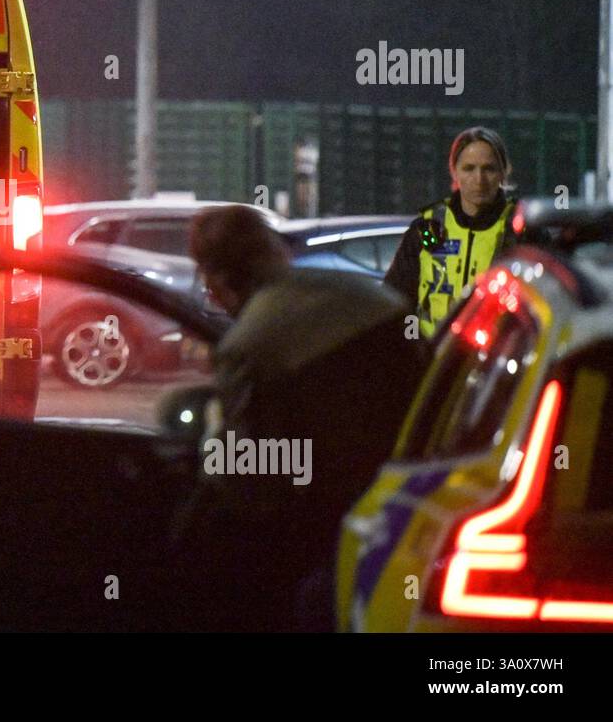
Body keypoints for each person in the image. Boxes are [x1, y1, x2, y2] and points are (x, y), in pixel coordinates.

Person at [174, 205, 427, 631]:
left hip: (325, 533)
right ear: (276, 252)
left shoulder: (249, 346)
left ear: (215, 283)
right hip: (410, 502)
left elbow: (245, 477)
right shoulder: (375, 300)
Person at [384, 126, 517, 338]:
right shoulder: (427, 229)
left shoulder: (519, 230)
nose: (479, 179)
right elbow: (394, 300)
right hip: (431, 357)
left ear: (503, 172)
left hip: (492, 361)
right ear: (454, 172)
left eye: (489, 169)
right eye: (469, 168)